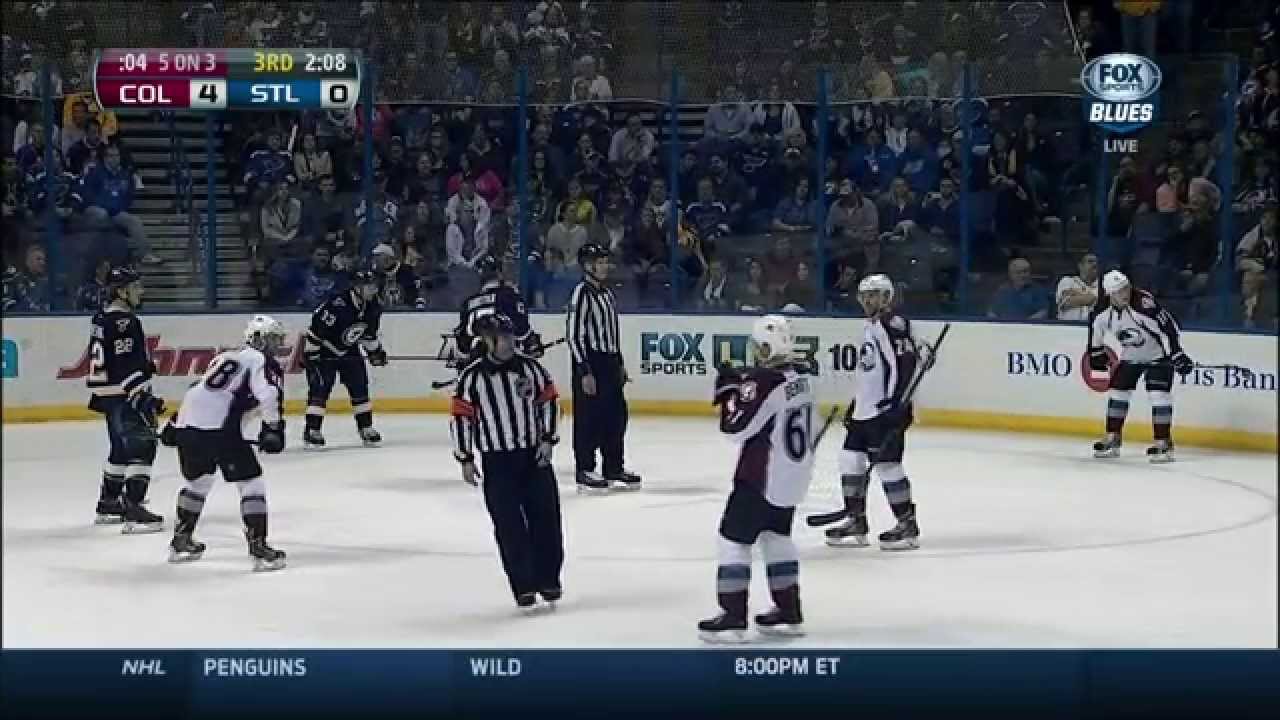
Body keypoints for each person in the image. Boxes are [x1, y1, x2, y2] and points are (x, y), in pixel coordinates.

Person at [698, 314, 815, 642]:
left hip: (760, 478)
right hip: (790, 479)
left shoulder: (764, 381)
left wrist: (727, 394)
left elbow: (735, 428)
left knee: (733, 540)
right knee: (777, 538)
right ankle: (789, 611)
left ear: (765, 346)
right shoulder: (802, 378)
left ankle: (733, 617)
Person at [450, 314, 565, 611]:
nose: (509, 343)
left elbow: (549, 401)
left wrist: (548, 440)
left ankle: (549, 579)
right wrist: (465, 457)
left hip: (533, 457)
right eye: (502, 338)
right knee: (509, 525)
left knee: (547, 519)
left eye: (511, 337)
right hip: (497, 461)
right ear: (487, 341)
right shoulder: (472, 377)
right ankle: (523, 586)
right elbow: (462, 417)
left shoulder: (531, 368)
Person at [162, 315, 288, 571]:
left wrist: (174, 424)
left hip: (189, 426)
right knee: (251, 482)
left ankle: (181, 540)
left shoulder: (225, 357)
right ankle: (259, 548)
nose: (277, 345)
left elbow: (199, 390)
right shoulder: (261, 360)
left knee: (198, 482)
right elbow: (269, 394)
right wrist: (273, 428)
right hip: (219, 430)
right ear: (259, 339)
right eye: (273, 339)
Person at [825, 274, 926, 550]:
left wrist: (897, 404)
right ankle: (856, 520)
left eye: (874, 294)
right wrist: (856, 404)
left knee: (887, 465)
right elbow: (873, 371)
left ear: (887, 297)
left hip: (884, 411)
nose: (868, 300)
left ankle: (907, 524)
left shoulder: (892, 324)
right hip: (865, 412)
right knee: (850, 460)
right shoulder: (871, 326)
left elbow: (904, 366)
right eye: (864, 295)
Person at [86, 267, 164, 533]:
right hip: (124, 394)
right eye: (135, 286)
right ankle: (134, 509)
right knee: (142, 447)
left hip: (107, 395)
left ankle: (109, 503)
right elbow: (122, 365)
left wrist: (144, 365)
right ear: (121, 291)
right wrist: (141, 395)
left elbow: (111, 358)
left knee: (120, 449)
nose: (141, 291)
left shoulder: (102, 318)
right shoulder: (125, 321)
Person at [1087, 270, 1193, 463]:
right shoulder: (1102, 312)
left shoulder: (1143, 304)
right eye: (1119, 291)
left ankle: (1163, 442)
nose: (1125, 293)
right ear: (1109, 294)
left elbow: (1168, 328)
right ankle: (1113, 437)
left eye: (1126, 288)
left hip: (1158, 356)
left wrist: (1176, 353)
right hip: (1132, 355)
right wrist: (1096, 352)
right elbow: (1095, 330)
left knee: (1158, 395)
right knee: (1118, 391)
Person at [566, 243, 639, 493]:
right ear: (587, 265)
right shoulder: (581, 294)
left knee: (615, 416)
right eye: (600, 261)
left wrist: (619, 364)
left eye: (606, 261)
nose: (605, 265)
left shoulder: (607, 294)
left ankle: (613, 466)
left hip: (609, 362)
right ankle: (585, 468)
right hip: (591, 362)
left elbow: (612, 334)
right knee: (588, 418)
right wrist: (584, 370)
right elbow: (574, 336)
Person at [301, 269, 388, 448]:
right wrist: (312, 355)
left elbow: (367, 335)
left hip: (349, 350)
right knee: (320, 389)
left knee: (360, 386)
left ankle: (366, 427)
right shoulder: (337, 305)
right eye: (369, 286)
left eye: (374, 286)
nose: (373, 290)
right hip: (324, 351)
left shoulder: (373, 307)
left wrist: (376, 353)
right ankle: (312, 430)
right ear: (357, 288)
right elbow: (316, 332)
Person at [453, 253, 539, 365]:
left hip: (479, 368)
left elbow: (463, 344)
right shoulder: (509, 296)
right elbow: (522, 331)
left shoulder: (468, 303)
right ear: (499, 273)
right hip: (507, 363)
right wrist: (533, 345)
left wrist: (464, 363)